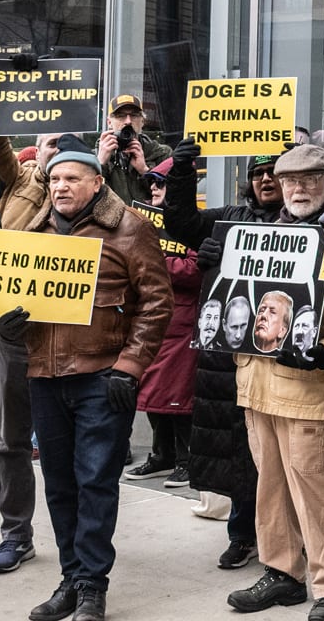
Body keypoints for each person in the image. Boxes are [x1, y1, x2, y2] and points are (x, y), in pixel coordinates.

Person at [0, 134, 171, 621]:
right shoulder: (32, 236)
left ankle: (93, 585)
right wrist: (7, 325)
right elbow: (8, 300)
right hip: (45, 375)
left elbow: (157, 304)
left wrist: (130, 367)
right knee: (59, 483)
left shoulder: (130, 230)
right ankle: (71, 580)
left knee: (95, 481)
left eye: (72, 178)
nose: (60, 186)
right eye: (54, 178)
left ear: (97, 183)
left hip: (102, 378)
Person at [225, 144, 324, 621]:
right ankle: (283, 574)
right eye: (289, 181)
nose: (299, 188)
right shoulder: (261, 234)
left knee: (319, 493)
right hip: (257, 386)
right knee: (270, 489)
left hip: (311, 387)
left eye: (310, 179)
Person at [161, 139, 280, 571]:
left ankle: (287, 541)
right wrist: (182, 171)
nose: (265, 179)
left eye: (274, 172)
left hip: (279, 356)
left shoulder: (305, 224)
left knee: (276, 457)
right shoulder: (230, 218)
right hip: (228, 359)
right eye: (257, 173)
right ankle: (242, 535)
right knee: (237, 453)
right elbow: (181, 222)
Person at [0, 127, 62, 576]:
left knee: (67, 448)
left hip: (68, 340)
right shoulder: (20, 182)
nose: (57, 152)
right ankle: (16, 534)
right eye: (49, 144)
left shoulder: (93, 198)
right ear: (36, 154)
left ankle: (77, 539)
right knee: (12, 442)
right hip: (13, 335)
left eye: (66, 146)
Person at [122, 160, 201, 489]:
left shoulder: (194, 223)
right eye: (151, 182)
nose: (153, 187)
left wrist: (155, 260)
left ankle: (186, 461)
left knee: (178, 399)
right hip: (151, 321)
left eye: (161, 182)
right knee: (152, 397)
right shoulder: (143, 222)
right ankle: (161, 455)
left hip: (181, 323)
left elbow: (195, 270)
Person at [96, 94, 171, 204]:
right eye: (121, 116)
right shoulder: (92, 157)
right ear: (109, 123)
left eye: (134, 115)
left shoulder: (162, 154)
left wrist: (145, 171)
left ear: (142, 122)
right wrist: (100, 164)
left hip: (151, 220)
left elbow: (173, 199)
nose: (128, 121)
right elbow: (87, 199)